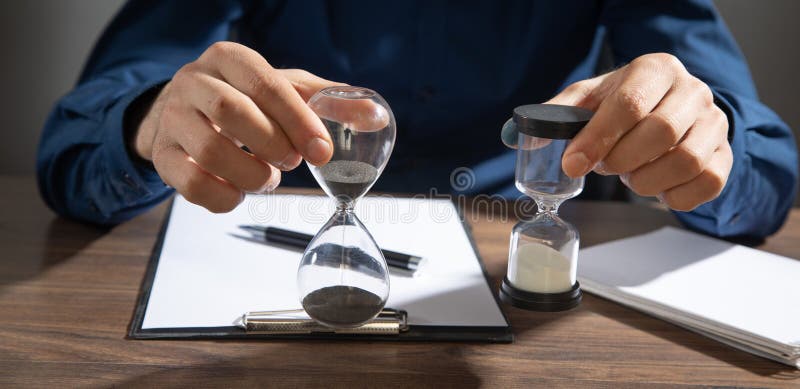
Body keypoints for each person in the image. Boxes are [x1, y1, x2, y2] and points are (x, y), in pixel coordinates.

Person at [37, 0, 798, 239]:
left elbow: (766, 169)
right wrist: (149, 123)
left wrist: (706, 140)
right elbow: (74, 146)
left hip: (517, 234)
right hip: (279, 227)